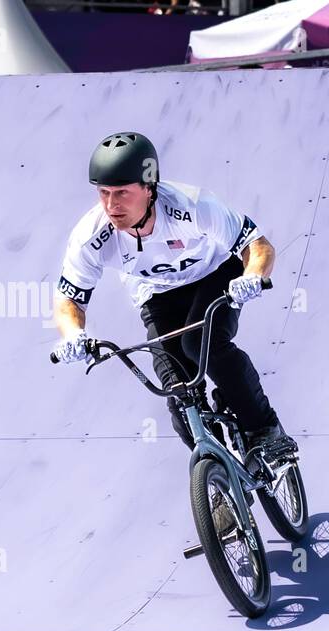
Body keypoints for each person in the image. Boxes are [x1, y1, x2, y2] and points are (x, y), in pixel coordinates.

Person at [51, 131, 294, 459]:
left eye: (122, 192)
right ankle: (215, 476)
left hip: (214, 275)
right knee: (176, 387)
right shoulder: (91, 236)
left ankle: (265, 429)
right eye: (104, 193)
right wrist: (73, 335)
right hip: (157, 294)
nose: (111, 205)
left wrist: (252, 276)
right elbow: (69, 299)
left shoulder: (194, 206)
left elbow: (258, 245)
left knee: (202, 345)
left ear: (149, 187)